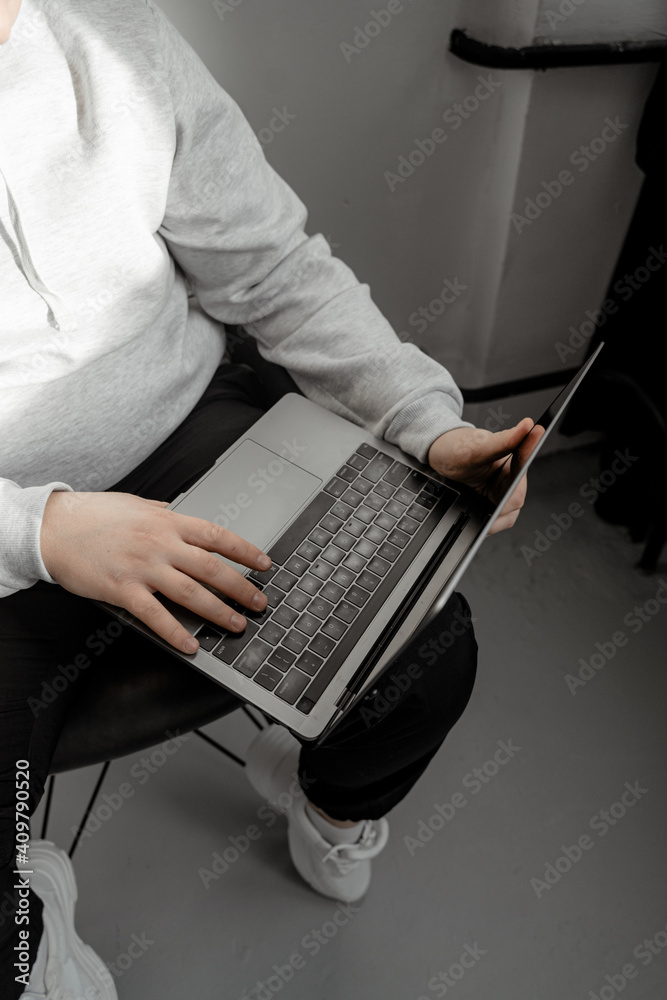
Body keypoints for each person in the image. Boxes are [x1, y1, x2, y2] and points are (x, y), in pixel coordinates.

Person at [0, 0, 544, 997]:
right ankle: (30, 912)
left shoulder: (112, 35)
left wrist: (426, 422)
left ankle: (323, 797)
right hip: (11, 525)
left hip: (183, 434)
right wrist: (46, 530)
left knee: (420, 660)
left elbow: (274, 270)